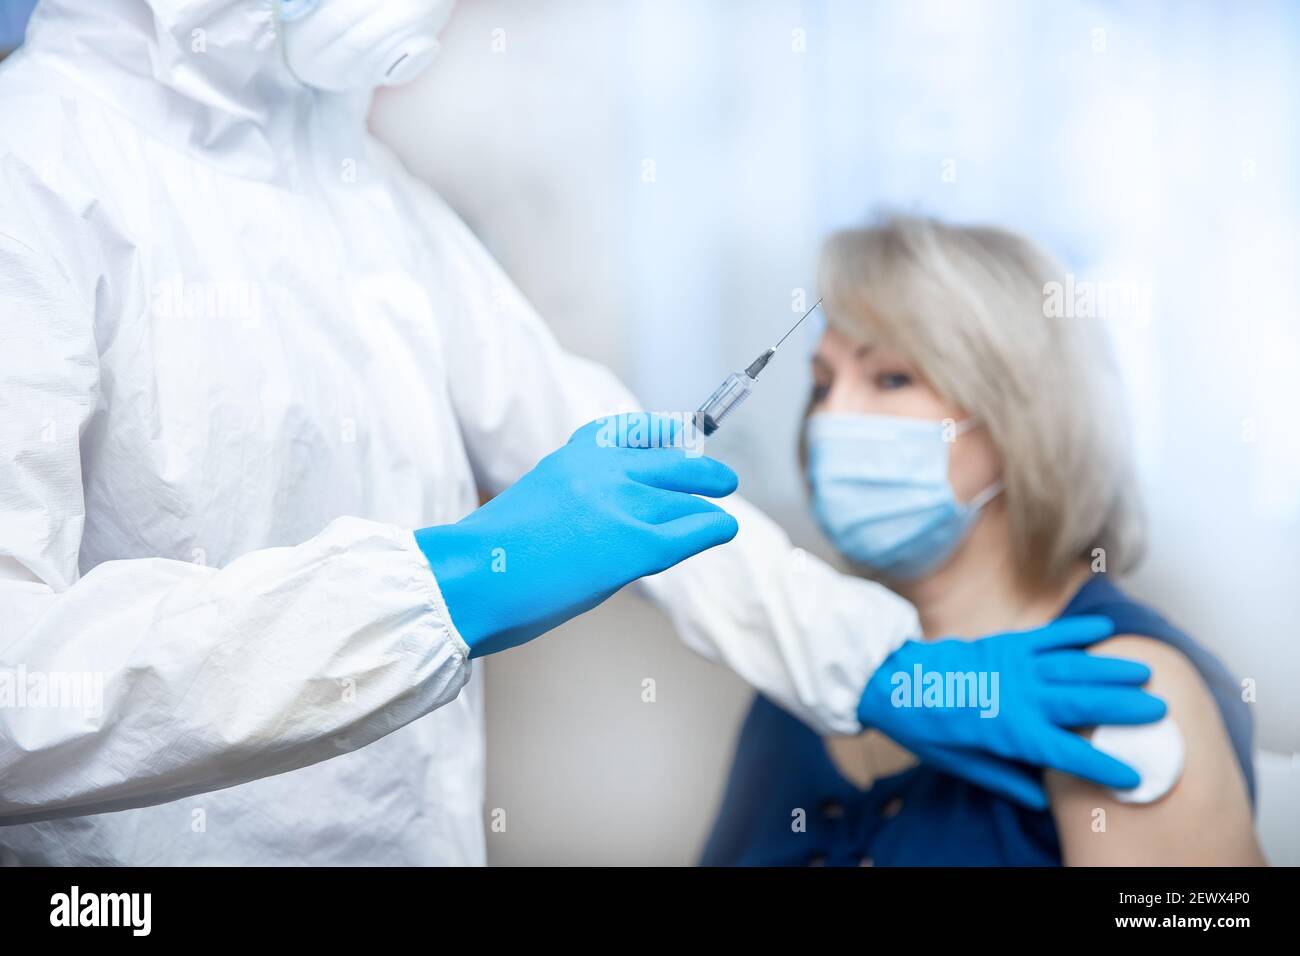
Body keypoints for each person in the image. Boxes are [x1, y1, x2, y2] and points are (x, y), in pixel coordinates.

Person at [0, 1, 1160, 864]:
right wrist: (439, 587)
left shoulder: (352, 187)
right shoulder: (37, 172)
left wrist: (872, 660)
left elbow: (613, 442)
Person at [701, 216, 1263, 866]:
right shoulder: (806, 676)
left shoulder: (1113, 691)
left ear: (1018, 417)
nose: (831, 418)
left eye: (889, 379)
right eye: (823, 385)